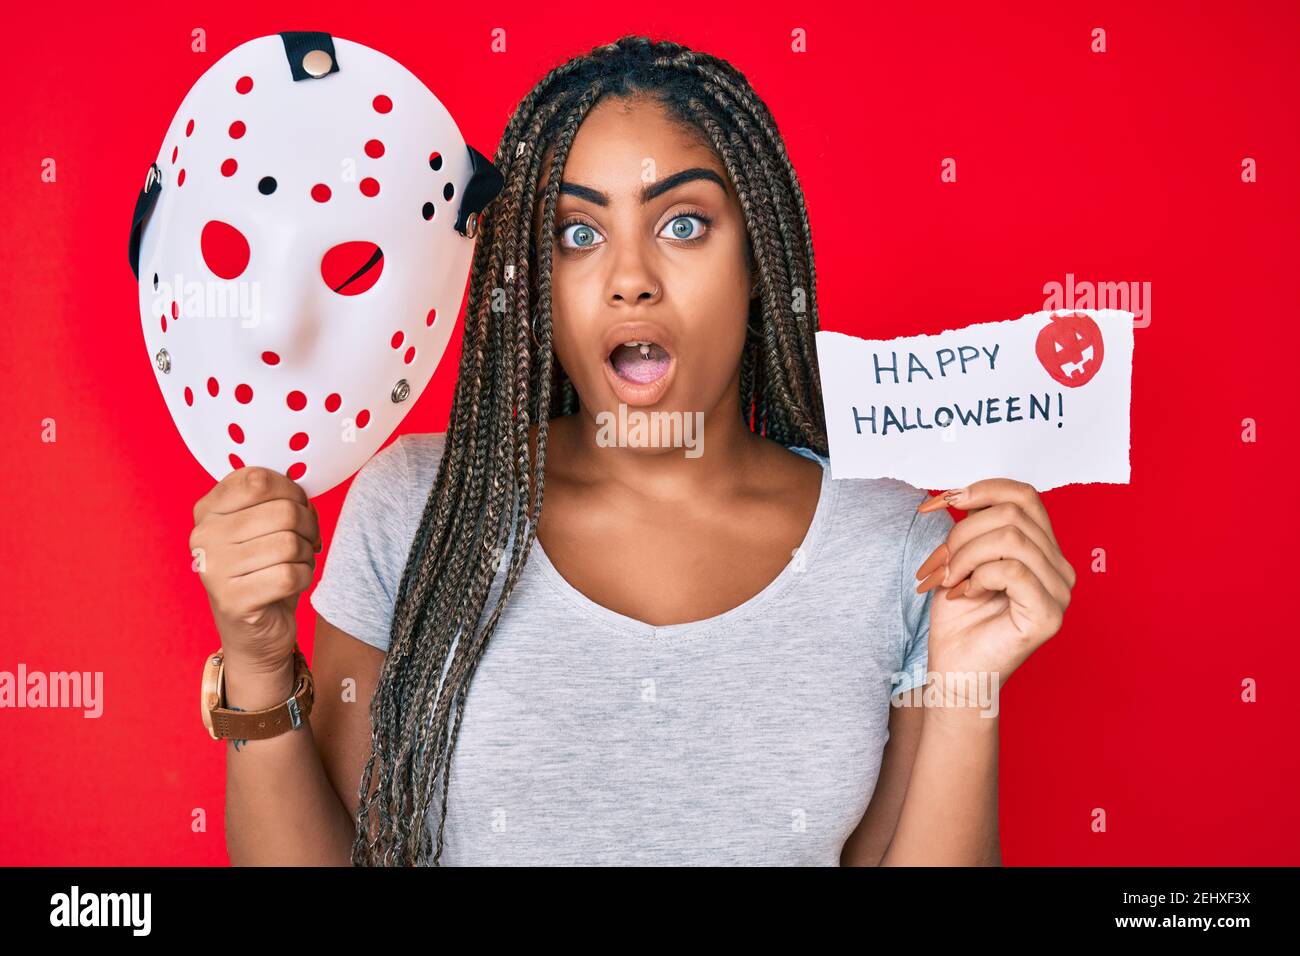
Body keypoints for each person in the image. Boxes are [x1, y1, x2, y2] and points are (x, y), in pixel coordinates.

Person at [190, 35, 1076, 866]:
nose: (629, 275)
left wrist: (968, 684)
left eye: (683, 224)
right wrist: (259, 666)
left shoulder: (902, 542)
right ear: (535, 285)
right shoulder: (415, 507)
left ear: (758, 258)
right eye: (578, 235)